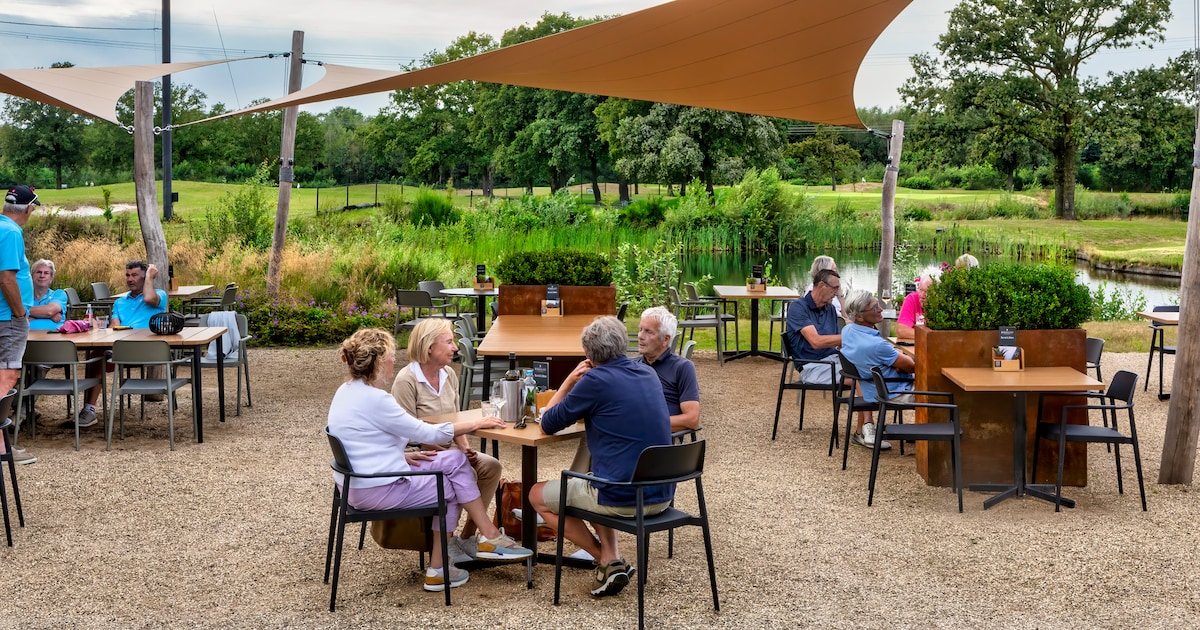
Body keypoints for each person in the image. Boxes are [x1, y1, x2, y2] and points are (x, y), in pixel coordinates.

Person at [328, 328, 532, 592]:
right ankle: (462, 554)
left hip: (356, 484)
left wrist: (400, 454)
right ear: (378, 362)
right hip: (376, 488)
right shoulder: (377, 398)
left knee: (456, 463)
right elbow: (425, 432)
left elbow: (360, 441)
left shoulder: (345, 392)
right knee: (452, 485)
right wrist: (476, 423)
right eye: (390, 355)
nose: (394, 360)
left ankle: (455, 559)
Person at [529, 316, 673, 598]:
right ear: (623, 343)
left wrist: (570, 380)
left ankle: (606, 559)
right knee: (595, 478)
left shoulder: (594, 380)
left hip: (623, 497)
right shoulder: (647, 373)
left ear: (588, 353)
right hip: (661, 494)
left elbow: (547, 423)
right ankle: (611, 555)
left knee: (536, 495)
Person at [391, 318, 502, 566]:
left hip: (450, 450)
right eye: (449, 342)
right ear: (429, 346)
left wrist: (465, 447)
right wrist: (450, 450)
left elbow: (454, 419)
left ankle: (466, 538)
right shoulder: (405, 381)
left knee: (491, 466)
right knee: (465, 473)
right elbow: (405, 432)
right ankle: (445, 548)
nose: (455, 347)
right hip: (417, 455)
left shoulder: (450, 374)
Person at [79, 260, 169, 427]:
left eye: (135, 275)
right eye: (127, 275)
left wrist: (150, 275)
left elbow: (149, 298)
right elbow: (114, 326)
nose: (130, 279)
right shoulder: (120, 302)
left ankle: (89, 408)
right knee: (96, 355)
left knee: (100, 356)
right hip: (122, 350)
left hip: (148, 350)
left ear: (144, 277)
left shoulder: (159, 295)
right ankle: (89, 409)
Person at [840, 290, 915, 449]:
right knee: (943, 387)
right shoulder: (878, 346)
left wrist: (894, 360)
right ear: (859, 316)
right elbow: (910, 365)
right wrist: (898, 362)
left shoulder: (847, 332)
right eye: (874, 308)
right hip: (896, 391)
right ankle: (936, 436)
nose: (880, 309)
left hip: (872, 389)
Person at [0, 186, 37, 465]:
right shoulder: (11, 233)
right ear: (28, 208)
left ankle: (2, 444)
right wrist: (20, 312)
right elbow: (7, 278)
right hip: (7, 317)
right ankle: (1, 448)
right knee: (7, 378)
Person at [636, 306, 700, 433]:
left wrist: (646, 425)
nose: (640, 336)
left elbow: (692, 419)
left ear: (665, 339)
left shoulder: (682, 368)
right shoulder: (631, 365)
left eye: (648, 332)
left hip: (660, 444)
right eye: (640, 330)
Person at [784, 268, 843, 384]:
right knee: (859, 376)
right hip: (811, 367)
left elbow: (837, 343)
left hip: (833, 360)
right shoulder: (798, 307)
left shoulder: (830, 309)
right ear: (822, 285)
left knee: (870, 366)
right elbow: (816, 342)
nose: (837, 293)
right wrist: (851, 336)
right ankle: (865, 401)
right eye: (835, 288)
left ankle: (866, 401)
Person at [894, 271, 940, 341]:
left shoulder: (945, 304)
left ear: (938, 293)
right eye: (920, 290)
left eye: (927, 292)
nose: (921, 295)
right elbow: (901, 331)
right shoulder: (912, 299)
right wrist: (932, 337)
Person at [28, 259, 67, 331]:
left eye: (46, 273)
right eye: (39, 272)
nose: (42, 275)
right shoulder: (24, 297)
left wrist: (24, 313)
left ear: (51, 278)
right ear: (32, 276)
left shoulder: (59, 294)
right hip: (28, 339)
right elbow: (15, 318)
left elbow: (49, 311)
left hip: (54, 339)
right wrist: (48, 316)